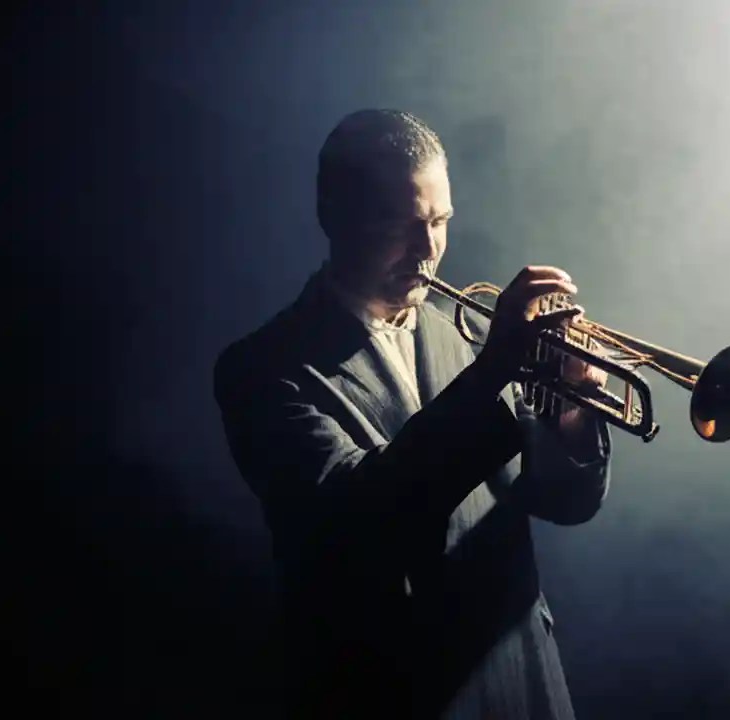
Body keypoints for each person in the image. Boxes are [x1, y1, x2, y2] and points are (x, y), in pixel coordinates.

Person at [214, 108, 613, 719]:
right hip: (396, 694)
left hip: (523, 681)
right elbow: (359, 516)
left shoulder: (476, 337)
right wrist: (493, 373)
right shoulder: (262, 369)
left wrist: (574, 405)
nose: (428, 250)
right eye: (399, 225)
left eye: (440, 220)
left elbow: (566, 502)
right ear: (334, 217)